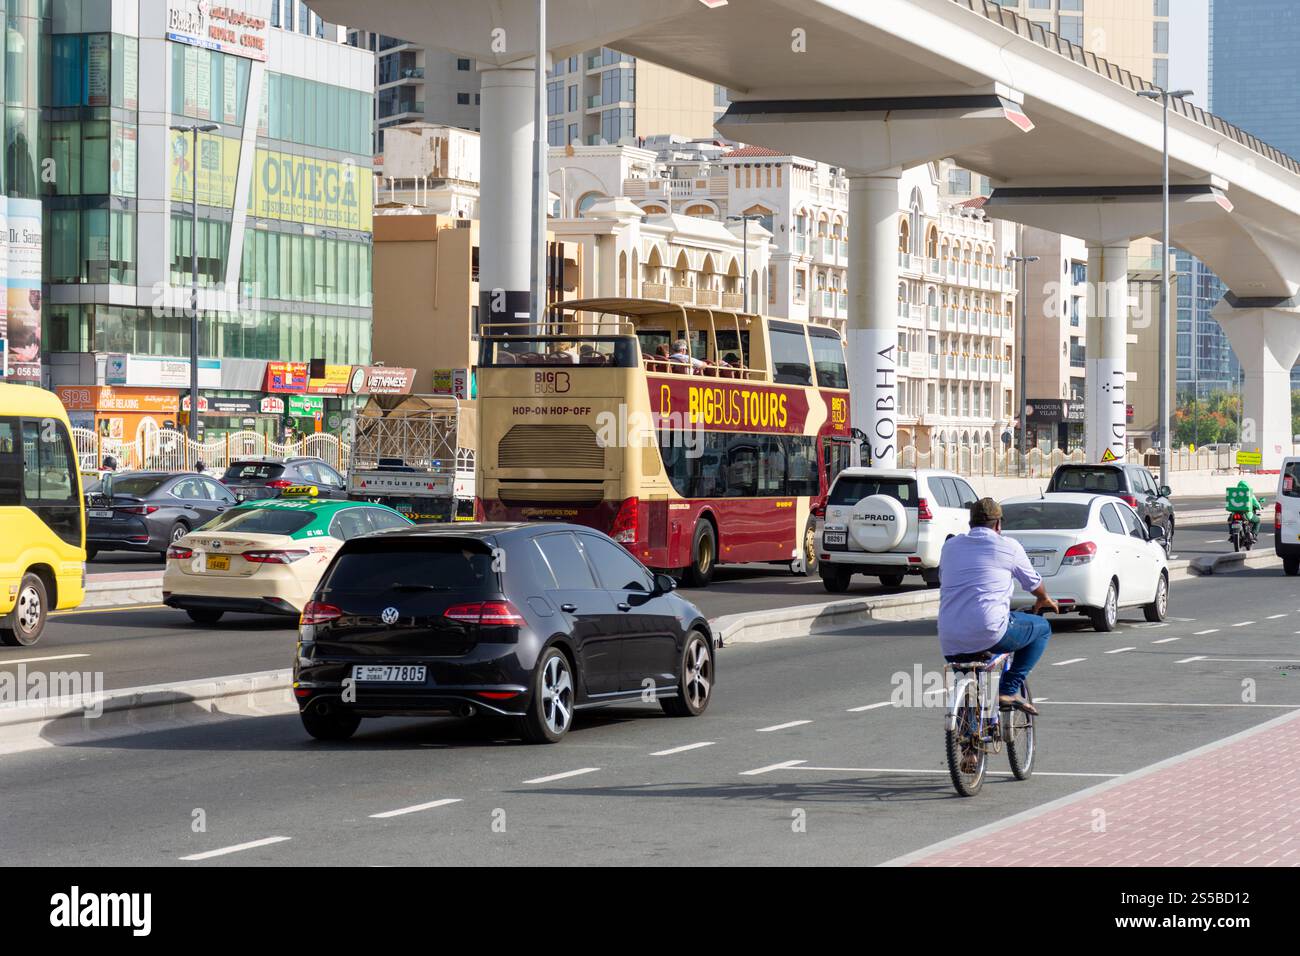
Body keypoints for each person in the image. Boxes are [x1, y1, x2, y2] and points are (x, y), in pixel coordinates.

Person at [937, 497, 1059, 715]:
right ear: (998, 524)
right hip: (990, 630)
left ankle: (969, 748)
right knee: (1041, 628)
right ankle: (1008, 689)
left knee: (967, 684)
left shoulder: (950, 547)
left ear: (970, 523)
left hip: (950, 636)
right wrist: (1044, 598)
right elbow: (1033, 583)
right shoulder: (1008, 546)